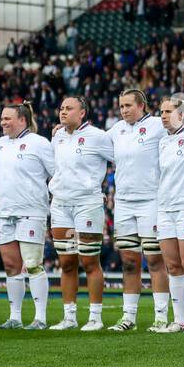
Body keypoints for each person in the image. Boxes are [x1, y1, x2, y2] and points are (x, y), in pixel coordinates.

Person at [48, 96, 114, 331]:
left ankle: (95, 317)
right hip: (61, 205)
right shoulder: (57, 136)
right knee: (66, 262)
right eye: (62, 108)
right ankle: (69, 316)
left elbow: (121, 159)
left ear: (83, 112)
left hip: (87, 203)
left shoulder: (98, 137)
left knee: (89, 261)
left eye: (69, 108)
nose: (63, 112)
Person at [109, 89, 169, 331]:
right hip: (123, 202)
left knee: (155, 259)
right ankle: (128, 318)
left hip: (151, 200)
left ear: (141, 105)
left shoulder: (157, 125)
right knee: (129, 262)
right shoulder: (116, 130)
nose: (124, 110)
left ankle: (161, 316)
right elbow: (94, 144)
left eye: (128, 105)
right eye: (121, 106)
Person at [0, 102, 54, 330]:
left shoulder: (39, 143)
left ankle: (40, 318)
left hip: (31, 211)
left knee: (33, 264)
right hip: (5, 211)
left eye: (8, 118)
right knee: (10, 266)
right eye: (2, 118)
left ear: (22, 120)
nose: (3, 122)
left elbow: (56, 173)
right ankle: (15, 317)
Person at [152, 96, 184, 333]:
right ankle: (179, 320)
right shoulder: (162, 142)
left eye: (168, 111)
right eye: (161, 112)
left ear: (181, 115)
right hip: (165, 208)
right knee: (172, 265)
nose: (163, 115)